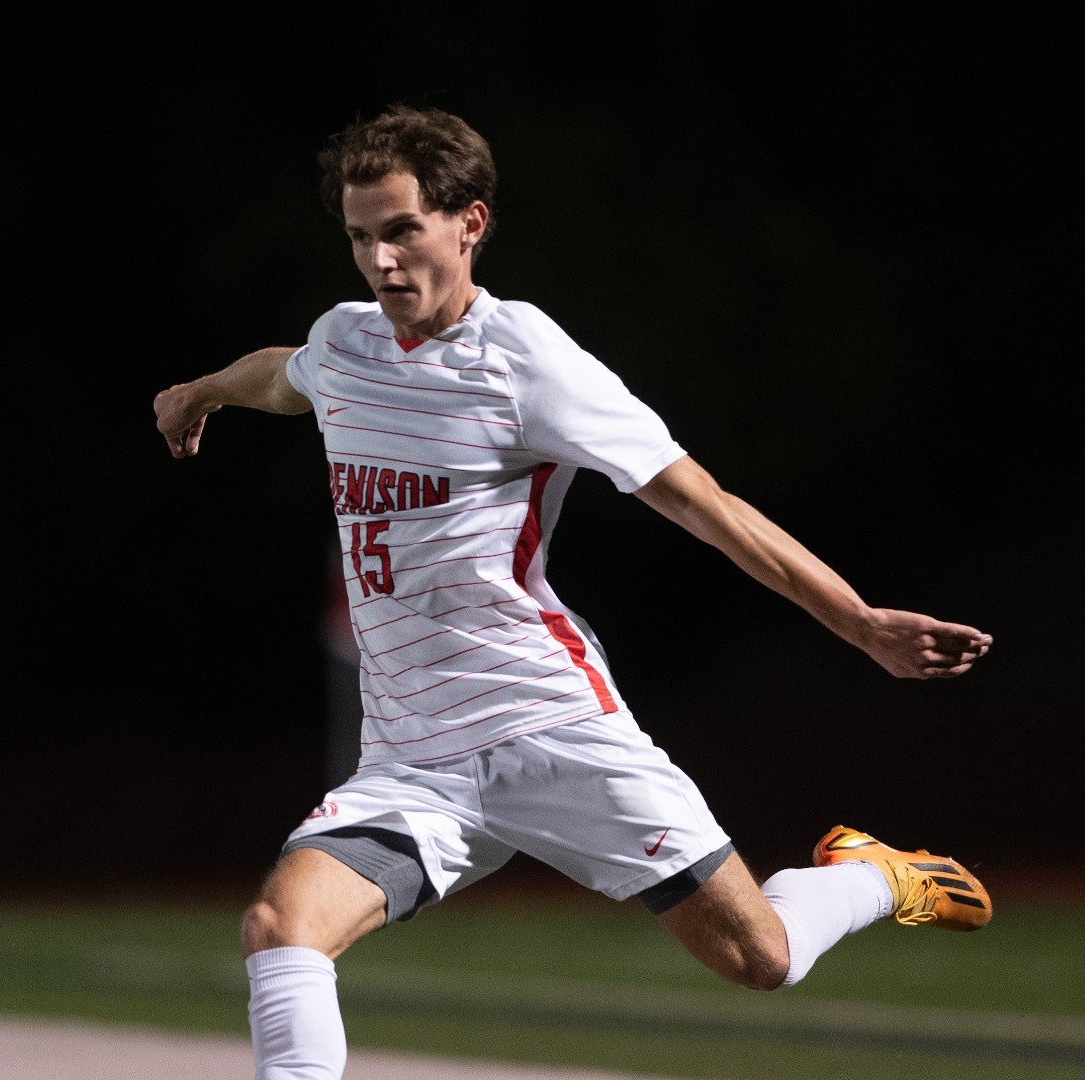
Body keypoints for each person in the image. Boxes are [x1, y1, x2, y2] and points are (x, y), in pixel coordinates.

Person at [153, 105, 996, 1079]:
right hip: (412, 761)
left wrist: (858, 621)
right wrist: (201, 391)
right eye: (360, 236)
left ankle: (869, 878)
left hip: (549, 725)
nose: (381, 260)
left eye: (402, 230)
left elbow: (704, 503)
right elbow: (280, 378)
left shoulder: (526, 362)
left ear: (469, 223)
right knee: (281, 928)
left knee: (761, 958)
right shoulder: (346, 345)